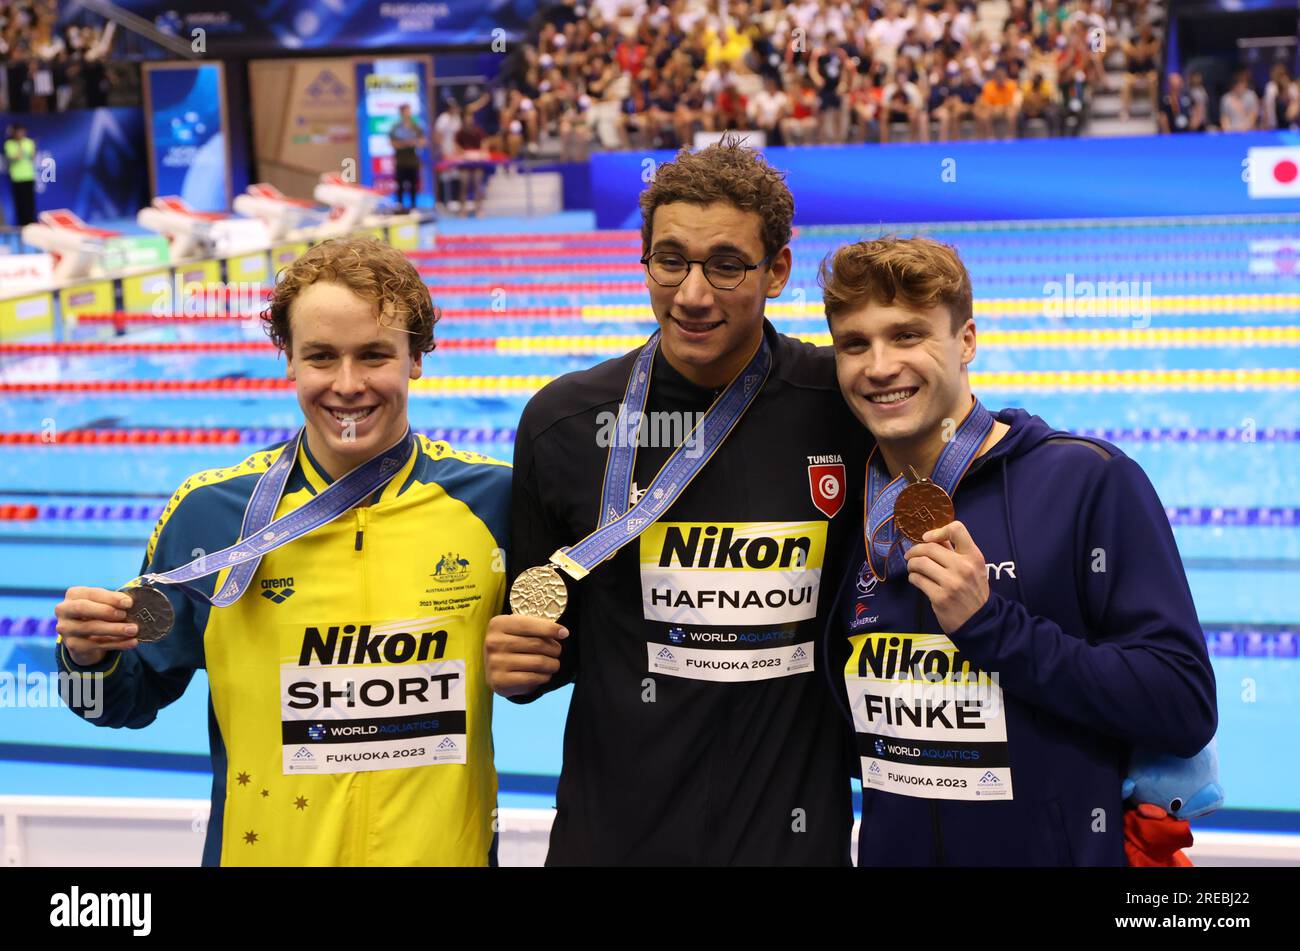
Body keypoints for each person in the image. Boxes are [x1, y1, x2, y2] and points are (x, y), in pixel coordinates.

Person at [54, 237, 510, 866]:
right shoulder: (213, 514)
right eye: (322, 357)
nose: (348, 385)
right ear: (289, 361)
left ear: (416, 358)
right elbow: (120, 706)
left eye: (374, 354)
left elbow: (559, 666)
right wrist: (86, 660)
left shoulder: (493, 503)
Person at [485, 137, 867, 865]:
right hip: (617, 835)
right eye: (670, 261)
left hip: (790, 839)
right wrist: (518, 661)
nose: (693, 295)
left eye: (726, 265)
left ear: (777, 269)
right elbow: (547, 637)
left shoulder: (839, 406)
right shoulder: (566, 421)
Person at [818, 236, 1217, 865]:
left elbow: (1182, 704)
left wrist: (990, 625)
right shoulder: (849, 513)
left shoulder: (1087, 481)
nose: (879, 366)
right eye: (855, 344)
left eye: (907, 336)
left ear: (967, 341)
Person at [388, 103, 423, 213]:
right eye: (406, 111)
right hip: (400, 161)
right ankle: (399, 207)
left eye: (409, 111)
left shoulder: (416, 127)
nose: (409, 113)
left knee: (413, 185)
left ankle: (413, 206)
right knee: (400, 185)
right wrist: (407, 143)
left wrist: (409, 143)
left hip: (412, 161)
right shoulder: (396, 127)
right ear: (401, 112)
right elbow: (393, 143)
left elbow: (422, 142)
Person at [4, 124, 37, 226]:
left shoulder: (30, 142)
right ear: (14, 133)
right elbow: (15, 158)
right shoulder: (9, 144)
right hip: (17, 177)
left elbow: (32, 158)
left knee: (30, 202)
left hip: (29, 176)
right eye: (18, 132)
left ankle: (32, 223)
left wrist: (33, 149)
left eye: (22, 131)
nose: (20, 134)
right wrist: (19, 146)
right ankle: (22, 225)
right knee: (20, 203)